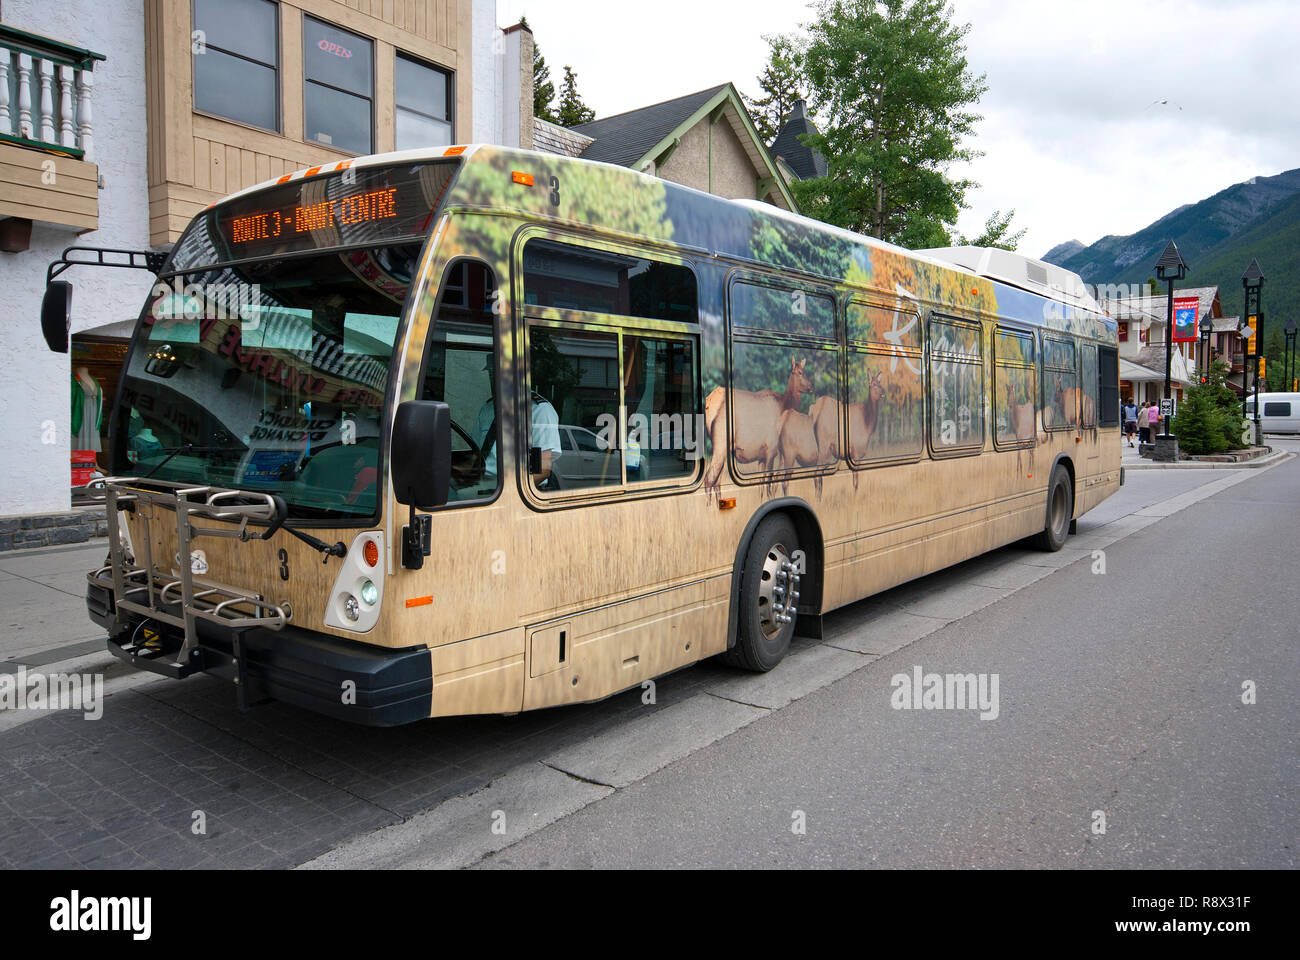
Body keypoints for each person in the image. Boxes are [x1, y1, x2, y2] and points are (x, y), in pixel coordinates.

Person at [474, 355, 563, 489]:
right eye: (491, 373)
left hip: (515, 492)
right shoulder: (488, 409)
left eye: (499, 373)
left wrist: (505, 494)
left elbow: (542, 470)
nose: (494, 378)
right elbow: (474, 452)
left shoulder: (539, 411)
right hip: (481, 485)